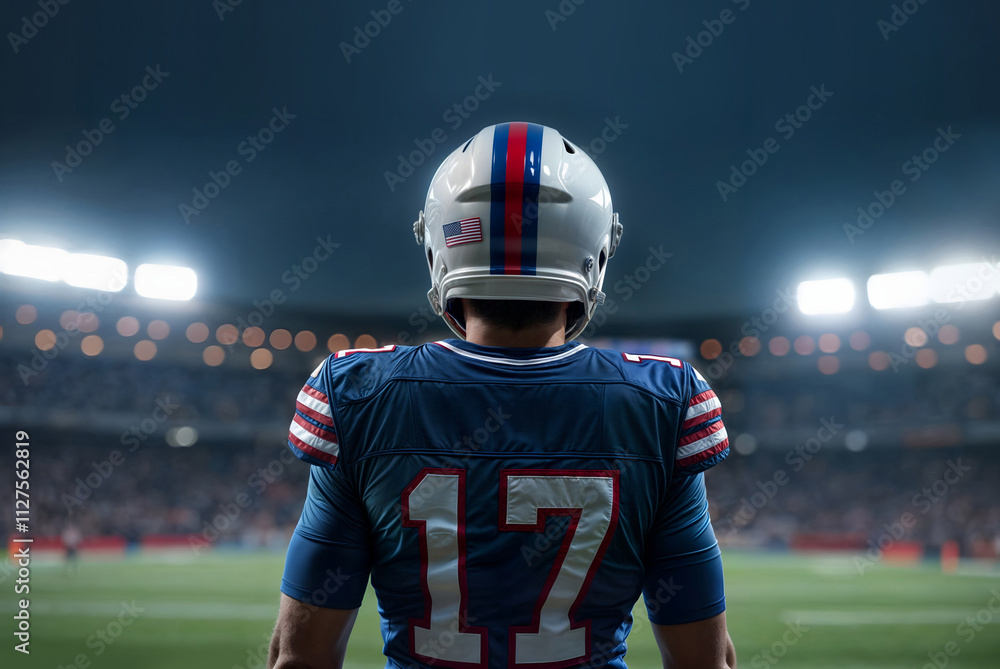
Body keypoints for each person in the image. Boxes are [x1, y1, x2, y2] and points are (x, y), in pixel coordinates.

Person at [268, 122, 736, 669]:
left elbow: (301, 658)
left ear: (441, 247)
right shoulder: (663, 402)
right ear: (596, 253)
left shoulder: (359, 396)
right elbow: (703, 663)